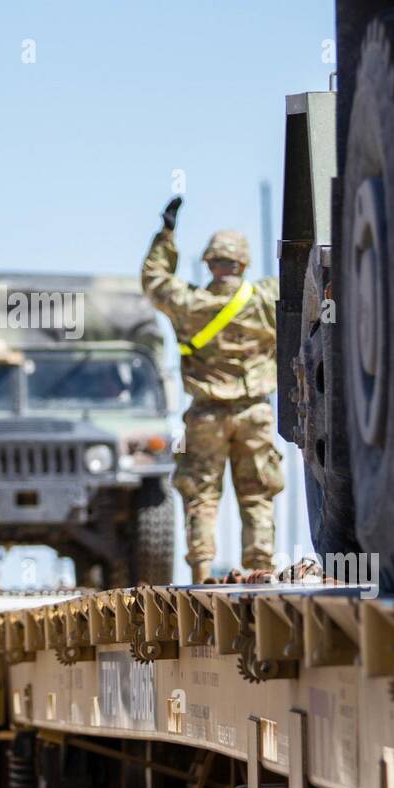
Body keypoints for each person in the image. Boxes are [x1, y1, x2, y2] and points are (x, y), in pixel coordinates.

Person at [141, 196, 284, 583]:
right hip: (255, 412)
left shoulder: (191, 303)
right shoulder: (267, 299)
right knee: (258, 496)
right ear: (244, 263)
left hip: (205, 414)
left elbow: (154, 281)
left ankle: (203, 574)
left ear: (209, 263)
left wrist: (166, 234)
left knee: (201, 496)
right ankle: (260, 573)